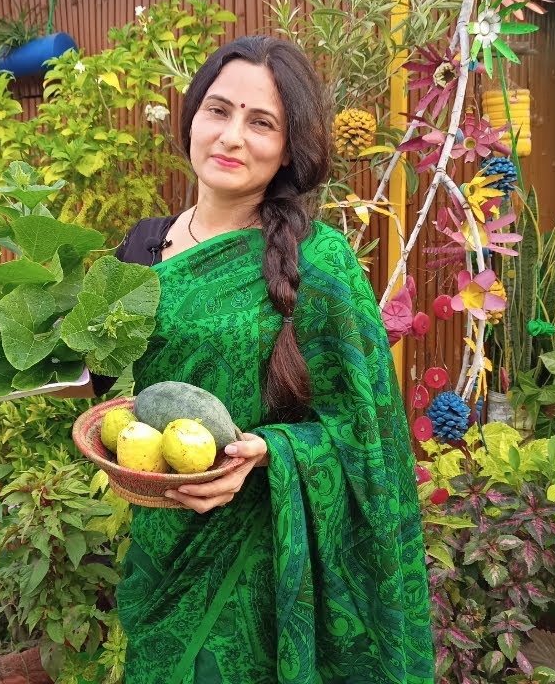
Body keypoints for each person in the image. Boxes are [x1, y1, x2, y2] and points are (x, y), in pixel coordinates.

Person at [91, 35, 434, 683]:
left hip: (262, 564)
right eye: (218, 111)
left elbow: (371, 439)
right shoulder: (140, 248)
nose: (232, 137)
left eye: (261, 123)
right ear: (192, 116)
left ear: (287, 148)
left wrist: (273, 453)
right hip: (162, 555)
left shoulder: (320, 264)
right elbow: (110, 393)